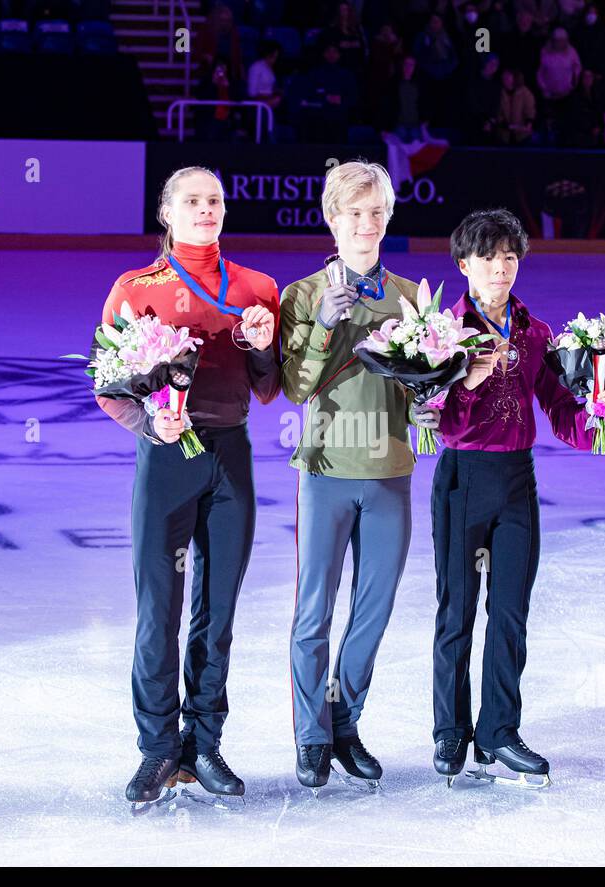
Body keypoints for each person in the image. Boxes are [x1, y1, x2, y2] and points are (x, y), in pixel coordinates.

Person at [96, 167, 281, 806]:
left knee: (218, 610)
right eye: (192, 201)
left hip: (230, 459)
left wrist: (261, 347)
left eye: (215, 201)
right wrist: (152, 420)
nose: (206, 210)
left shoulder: (257, 288)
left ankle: (204, 744)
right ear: (167, 214)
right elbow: (108, 386)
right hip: (166, 460)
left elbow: (266, 386)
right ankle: (158, 750)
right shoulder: (134, 288)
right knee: (159, 612)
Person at [431, 209, 605, 785]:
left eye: (510, 256)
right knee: (456, 613)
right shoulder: (441, 332)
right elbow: (435, 422)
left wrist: (596, 416)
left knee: (509, 612)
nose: (500, 267)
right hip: (462, 480)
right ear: (464, 265)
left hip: (516, 483)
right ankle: (449, 730)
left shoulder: (536, 334)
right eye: (487, 257)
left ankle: (499, 732)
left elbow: (561, 410)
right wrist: (466, 383)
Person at [279, 161, 435, 791]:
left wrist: (431, 399)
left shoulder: (409, 298)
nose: (367, 224)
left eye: (377, 213)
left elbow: (424, 386)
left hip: (390, 469)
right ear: (331, 217)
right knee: (314, 611)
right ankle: (312, 735)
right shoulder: (301, 295)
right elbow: (294, 388)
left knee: (373, 611)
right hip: (325, 469)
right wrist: (322, 325)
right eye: (355, 212)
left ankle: (346, 721)